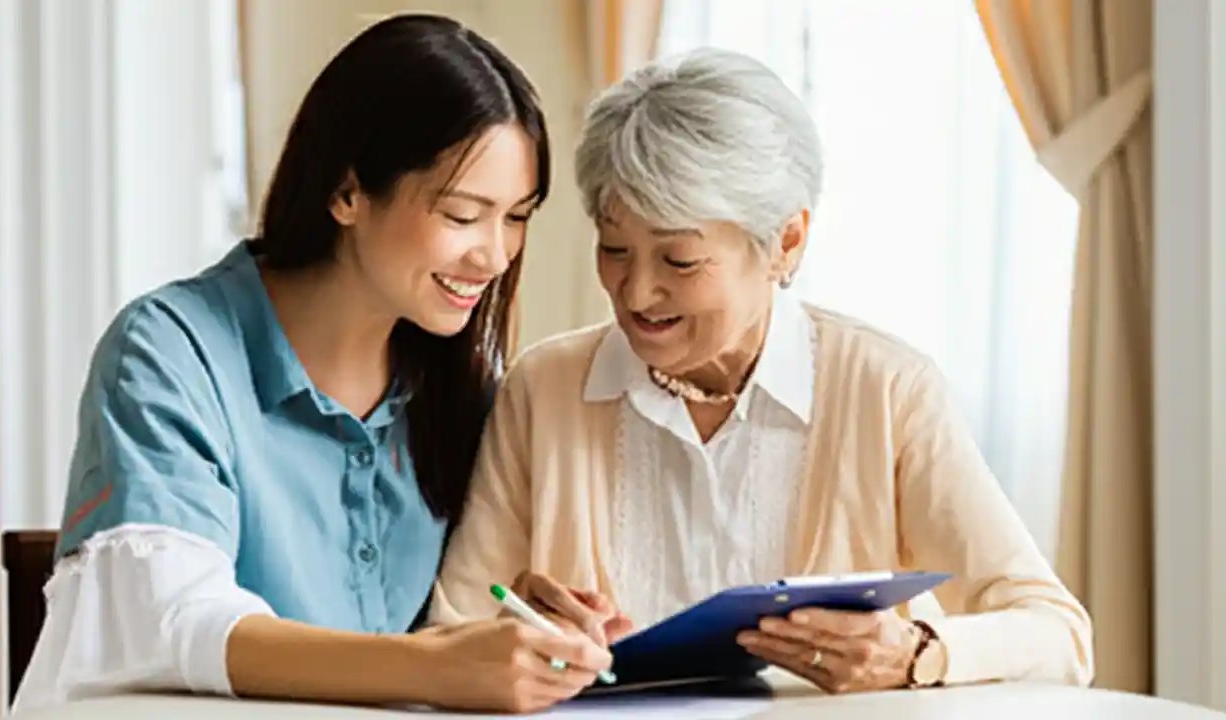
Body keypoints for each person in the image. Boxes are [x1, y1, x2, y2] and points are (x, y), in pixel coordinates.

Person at [431, 48, 1095, 693]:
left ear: (786, 242)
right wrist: (515, 635)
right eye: (614, 251)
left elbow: (1059, 634)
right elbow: (449, 633)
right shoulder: (544, 389)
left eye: (679, 262)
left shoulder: (886, 390)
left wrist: (917, 653)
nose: (635, 293)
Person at [13, 14, 614, 714]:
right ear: (348, 192)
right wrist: (429, 667)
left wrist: (517, 627)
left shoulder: (458, 389)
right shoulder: (169, 353)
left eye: (516, 217)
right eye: (461, 215)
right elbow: (171, 622)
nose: (495, 255)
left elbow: (455, 620)